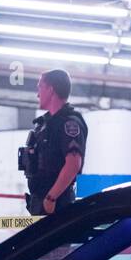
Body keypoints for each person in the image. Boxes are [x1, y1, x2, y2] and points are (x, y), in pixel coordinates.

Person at [20, 68, 87, 216]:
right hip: (41, 202)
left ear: (50, 90)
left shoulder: (69, 123)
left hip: (57, 205)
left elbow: (73, 163)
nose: (38, 94)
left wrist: (51, 198)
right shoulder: (46, 124)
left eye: (40, 87)